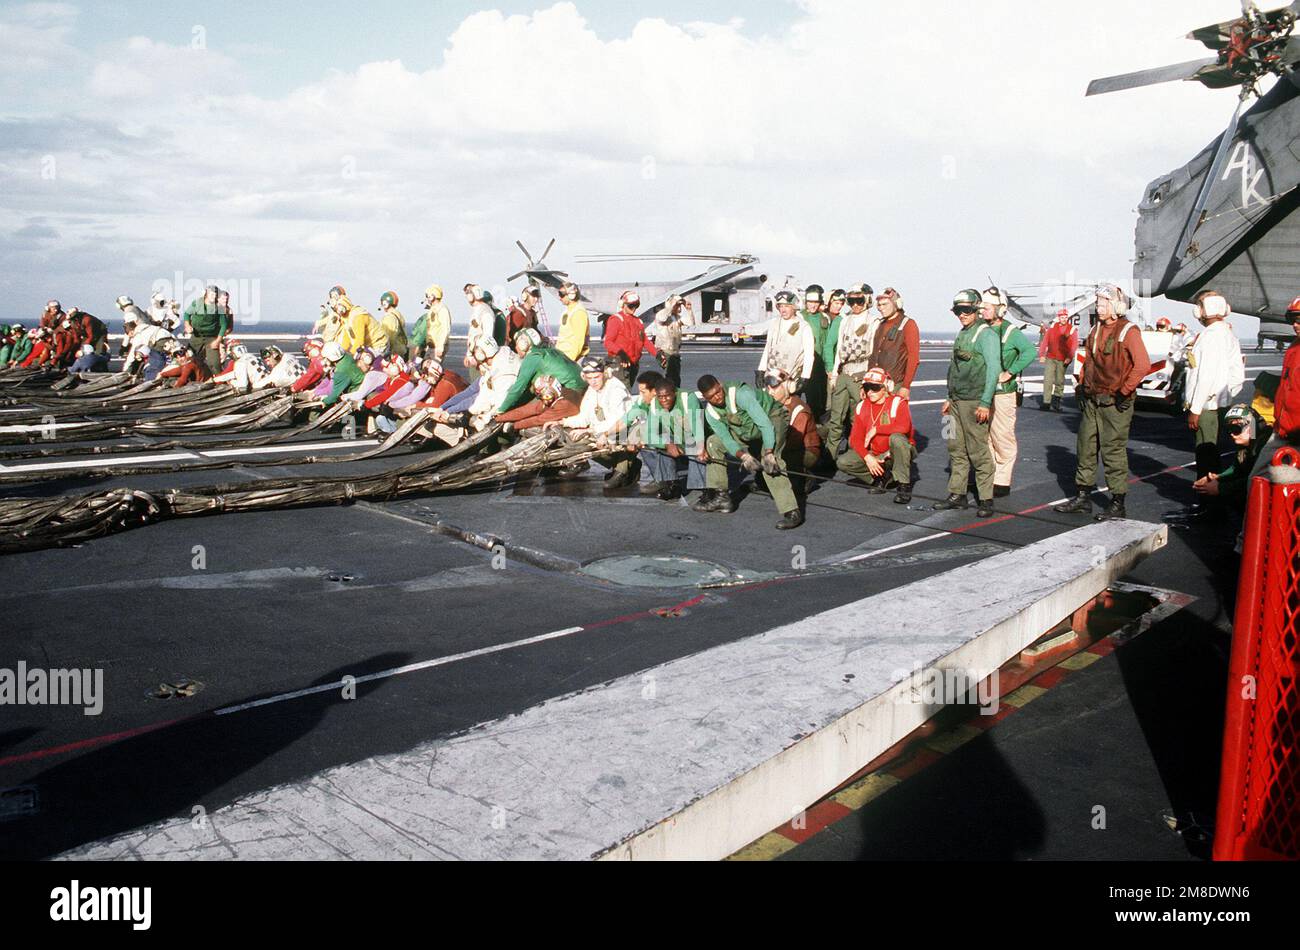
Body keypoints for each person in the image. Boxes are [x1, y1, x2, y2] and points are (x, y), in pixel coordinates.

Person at [1054, 284, 1152, 520]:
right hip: (1091, 401)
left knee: (1113, 452)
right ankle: (1083, 497)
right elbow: (1088, 361)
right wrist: (1080, 386)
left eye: (1103, 303)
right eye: (1098, 302)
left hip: (1115, 404)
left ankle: (1118, 503)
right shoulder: (1096, 330)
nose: (1098, 307)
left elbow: (1142, 365)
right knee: (1085, 449)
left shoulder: (1128, 331)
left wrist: (1124, 391)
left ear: (1117, 306)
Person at [694, 374, 804, 529]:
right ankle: (721, 497)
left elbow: (765, 424)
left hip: (772, 418)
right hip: (746, 430)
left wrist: (769, 452)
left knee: (770, 463)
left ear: (720, 383)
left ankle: (792, 511)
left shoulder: (741, 394)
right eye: (711, 397)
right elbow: (726, 439)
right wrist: (743, 456)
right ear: (705, 397)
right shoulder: (711, 413)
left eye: (718, 391)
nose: (717, 397)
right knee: (713, 442)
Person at [935, 289, 1001, 517]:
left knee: (978, 450)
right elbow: (954, 368)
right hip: (955, 401)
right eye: (958, 311)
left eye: (966, 310)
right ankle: (957, 494)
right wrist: (948, 397)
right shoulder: (963, 333)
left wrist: (985, 402)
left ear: (976, 309)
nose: (961, 314)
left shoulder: (987, 335)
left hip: (974, 403)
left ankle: (986, 499)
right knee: (954, 447)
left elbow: (994, 370)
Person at [1182, 290, 1245, 483]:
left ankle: (1208, 506)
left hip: (1206, 408)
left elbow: (1206, 375)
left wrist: (1196, 408)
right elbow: (1237, 375)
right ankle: (1210, 504)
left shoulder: (1211, 336)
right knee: (1211, 455)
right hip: (1216, 404)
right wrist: (1224, 397)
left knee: (1206, 455)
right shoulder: (1225, 332)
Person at [982, 287, 1036, 496]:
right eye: (982, 307)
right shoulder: (982, 329)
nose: (983, 311)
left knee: (1002, 436)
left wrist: (1010, 372)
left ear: (1000, 309)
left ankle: (1002, 482)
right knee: (984, 437)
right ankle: (988, 475)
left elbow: (1030, 351)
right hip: (983, 392)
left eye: (987, 307)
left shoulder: (1010, 331)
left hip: (1003, 392)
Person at [836, 367, 916, 503]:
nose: (870, 392)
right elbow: (855, 438)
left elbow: (904, 427)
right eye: (867, 387)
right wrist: (868, 458)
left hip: (896, 452)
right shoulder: (862, 407)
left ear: (886, 388)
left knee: (897, 439)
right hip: (875, 453)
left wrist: (876, 429)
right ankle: (883, 476)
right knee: (844, 462)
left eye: (875, 387)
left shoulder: (898, 403)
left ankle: (903, 484)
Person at [620, 376, 708, 500]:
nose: (664, 400)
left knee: (694, 445)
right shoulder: (655, 404)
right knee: (655, 440)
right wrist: (667, 444)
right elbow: (649, 434)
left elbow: (698, 429)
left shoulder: (688, 398)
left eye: (667, 396)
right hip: (678, 438)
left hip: (699, 436)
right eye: (660, 397)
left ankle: (700, 488)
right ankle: (671, 484)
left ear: (675, 393)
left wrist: (700, 448)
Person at [562, 355, 638, 487]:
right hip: (604, 430)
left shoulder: (615, 389)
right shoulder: (592, 390)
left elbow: (617, 420)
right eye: (589, 378)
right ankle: (624, 465)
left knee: (607, 437)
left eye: (596, 377)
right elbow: (584, 416)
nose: (593, 382)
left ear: (605, 374)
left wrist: (591, 430)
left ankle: (623, 469)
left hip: (625, 429)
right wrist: (564, 422)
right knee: (575, 437)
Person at [825, 284, 878, 453]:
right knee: (836, 417)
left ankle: (857, 453)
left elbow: (874, 353)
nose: (855, 304)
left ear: (867, 300)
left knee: (858, 418)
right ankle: (830, 454)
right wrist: (834, 374)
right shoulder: (845, 320)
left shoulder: (873, 322)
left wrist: (868, 380)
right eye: (851, 300)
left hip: (861, 372)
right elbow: (839, 348)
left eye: (859, 300)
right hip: (844, 372)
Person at [1192, 403, 1265, 516]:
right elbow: (1237, 468)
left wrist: (1220, 488)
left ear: (1252, 427)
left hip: (1267, 495)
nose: (1232, 434)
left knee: (1233, 494)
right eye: (1229, 430)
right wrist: (1218, 477)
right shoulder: (1247, 444)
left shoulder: (1263, 446)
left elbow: (1255, 480)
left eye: (1236, 429)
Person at [497, 330, 585, 413]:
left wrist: (502, 409)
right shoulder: (552, 351)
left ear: (522, 345)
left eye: (516, 344)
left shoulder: (532, 357)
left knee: (531, 409)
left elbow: (518, 388)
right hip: (583, 387)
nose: (515, 347)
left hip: (572, 392)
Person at [758, 290, 815, 398]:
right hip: (771, 377)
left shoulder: (804, 327)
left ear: (794, 307)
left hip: (789, 378)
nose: (783, 309)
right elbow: (768, 348)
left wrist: (805, 378)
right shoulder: (774, 324)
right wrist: (760, 371)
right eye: (780, 306)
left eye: (787, 306)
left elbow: (809, 356)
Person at [868, 287, 920, 398]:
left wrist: (906, 386)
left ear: (897, 304)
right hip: (875, 385)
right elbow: (873, 355)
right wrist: (866, 386)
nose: (881, 308)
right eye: (879, 305)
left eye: (885, 304)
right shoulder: (879, 325)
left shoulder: (908, 324)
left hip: (894, 385)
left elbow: (913, 358)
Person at [769, 376, 822, 480]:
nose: (770, 392)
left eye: (774, 388)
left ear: (786, 387)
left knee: (780, 459)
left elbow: (795, 441)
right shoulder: (777, 405)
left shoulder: (799, 410)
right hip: (786, 446)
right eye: (768, 388)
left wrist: (772, 452)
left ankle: (805, 478)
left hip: (805, 451)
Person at [603, 290, 656, 389]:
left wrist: (657, 354)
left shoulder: (638, 322)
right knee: (623, 394)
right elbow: (608, 342)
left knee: (627, 392)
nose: (634, 308)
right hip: (619, 363)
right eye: (631, 306)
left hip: (633, 364)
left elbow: (644, 340)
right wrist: (621, 353)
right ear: (622, 305)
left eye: (636, 305)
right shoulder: (616, 320)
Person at [495, 374, 583, 434]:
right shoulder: (559, 393)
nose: (542, 399)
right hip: (570, 408)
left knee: (538, 428)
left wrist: (514, 426)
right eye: (540, 396)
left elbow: (538, 420)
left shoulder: (563, 404)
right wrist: (499, 418)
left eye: (543, 396)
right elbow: (530, 409)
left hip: (579, 424)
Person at [800, 284, 833, 416]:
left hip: (819, 366)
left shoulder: (825, 318)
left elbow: (826, 343)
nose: (812, 305)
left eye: (815, 302)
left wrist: (828, 367)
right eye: (810, 302)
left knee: (819, 401)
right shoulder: (799, 317)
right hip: (803, 365)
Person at [184, 286, 231, 375]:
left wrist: (217, 341)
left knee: (214, 363)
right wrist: (187, 325)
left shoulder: (219, 307)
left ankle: (219, 381)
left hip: (211, 337)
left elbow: (224, 325)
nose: (214, 296)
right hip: (197, 336)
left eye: (215, 294)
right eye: (212, 294)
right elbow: (187, 314)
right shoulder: (197, 303)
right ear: (206, 294)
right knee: (189, 358)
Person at [645, 295, 691, 387]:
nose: (678, 307)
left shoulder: (677, 317)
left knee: (676, 378)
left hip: (674, 352)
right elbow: (662, 318)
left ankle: (674, 393)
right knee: (670, 377)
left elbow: (691, 324)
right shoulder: (662, 315)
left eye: (679, 305)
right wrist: (671, 305)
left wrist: (689, 310)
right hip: (665, 351)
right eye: (677, 305)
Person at [1039, 308, 1077, 412]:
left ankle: (1056, 402)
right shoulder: (1052, 328)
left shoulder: (1072, 329)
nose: (1063, 319)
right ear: (1059, 318)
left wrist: (1069, 357)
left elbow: (1074, 345)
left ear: (1067, 317)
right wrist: (1042, 354)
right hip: (1051, 357)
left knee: (1059, 380)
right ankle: (1046, 402)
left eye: (1065, 317)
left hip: (1062, 359)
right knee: (1047, 380)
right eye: (1061, 317)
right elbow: (1045, 341)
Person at [409, 285, 451, 364]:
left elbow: (445, 329)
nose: (427, 299)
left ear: (432, 296)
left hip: (437, 346)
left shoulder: (442, 309)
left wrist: (440, 347)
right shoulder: (433, 309)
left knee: (432, 368)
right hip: (431, 347)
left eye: (428, 296)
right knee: (425, 367)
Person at [320, 341, 366, 408]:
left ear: (330, 358)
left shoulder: (340, 371)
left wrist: (324, 401)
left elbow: (334, 396)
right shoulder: (347, 356)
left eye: (325, 358)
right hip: (362, 385)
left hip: (357, 391)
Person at [555, 282, 591, 362]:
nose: (560, 298)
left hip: (573, 360)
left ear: (571, 295)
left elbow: (578, 342)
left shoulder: (578, 313)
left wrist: (568, 361)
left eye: (561, 294)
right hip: (563, 357)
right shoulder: (567, 312)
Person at [464, 285, 496, 366]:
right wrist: (469, 354)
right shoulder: (478, 310)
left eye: (468, 292)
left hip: (481, 358)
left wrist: (478, 357)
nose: (467, 295)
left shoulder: (485, 311)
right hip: (476, 355)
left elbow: (488, 337)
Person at [505, 286, 541, 350]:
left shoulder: (532, 313)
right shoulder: (518, 313)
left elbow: (535, 330)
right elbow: (510, 336)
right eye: (533, 297)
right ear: (525, 297)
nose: (536, 299)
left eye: (537, 297)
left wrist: (543, 338)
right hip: (517, 351)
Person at [377, 292, 408, 358]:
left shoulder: (389, 317)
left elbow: (389, 337)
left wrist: (383, 353)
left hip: (393, 353)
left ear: (385, 303)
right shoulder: (397, 315)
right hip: (400, 350)